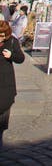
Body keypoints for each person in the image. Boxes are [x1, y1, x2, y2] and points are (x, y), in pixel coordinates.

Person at [0, 20, 25, 150]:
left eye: (2, 36)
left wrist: (11, 56)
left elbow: (21, 58)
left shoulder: (12, 42)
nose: (0, 38)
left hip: (6, 86)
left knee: (1, 124)